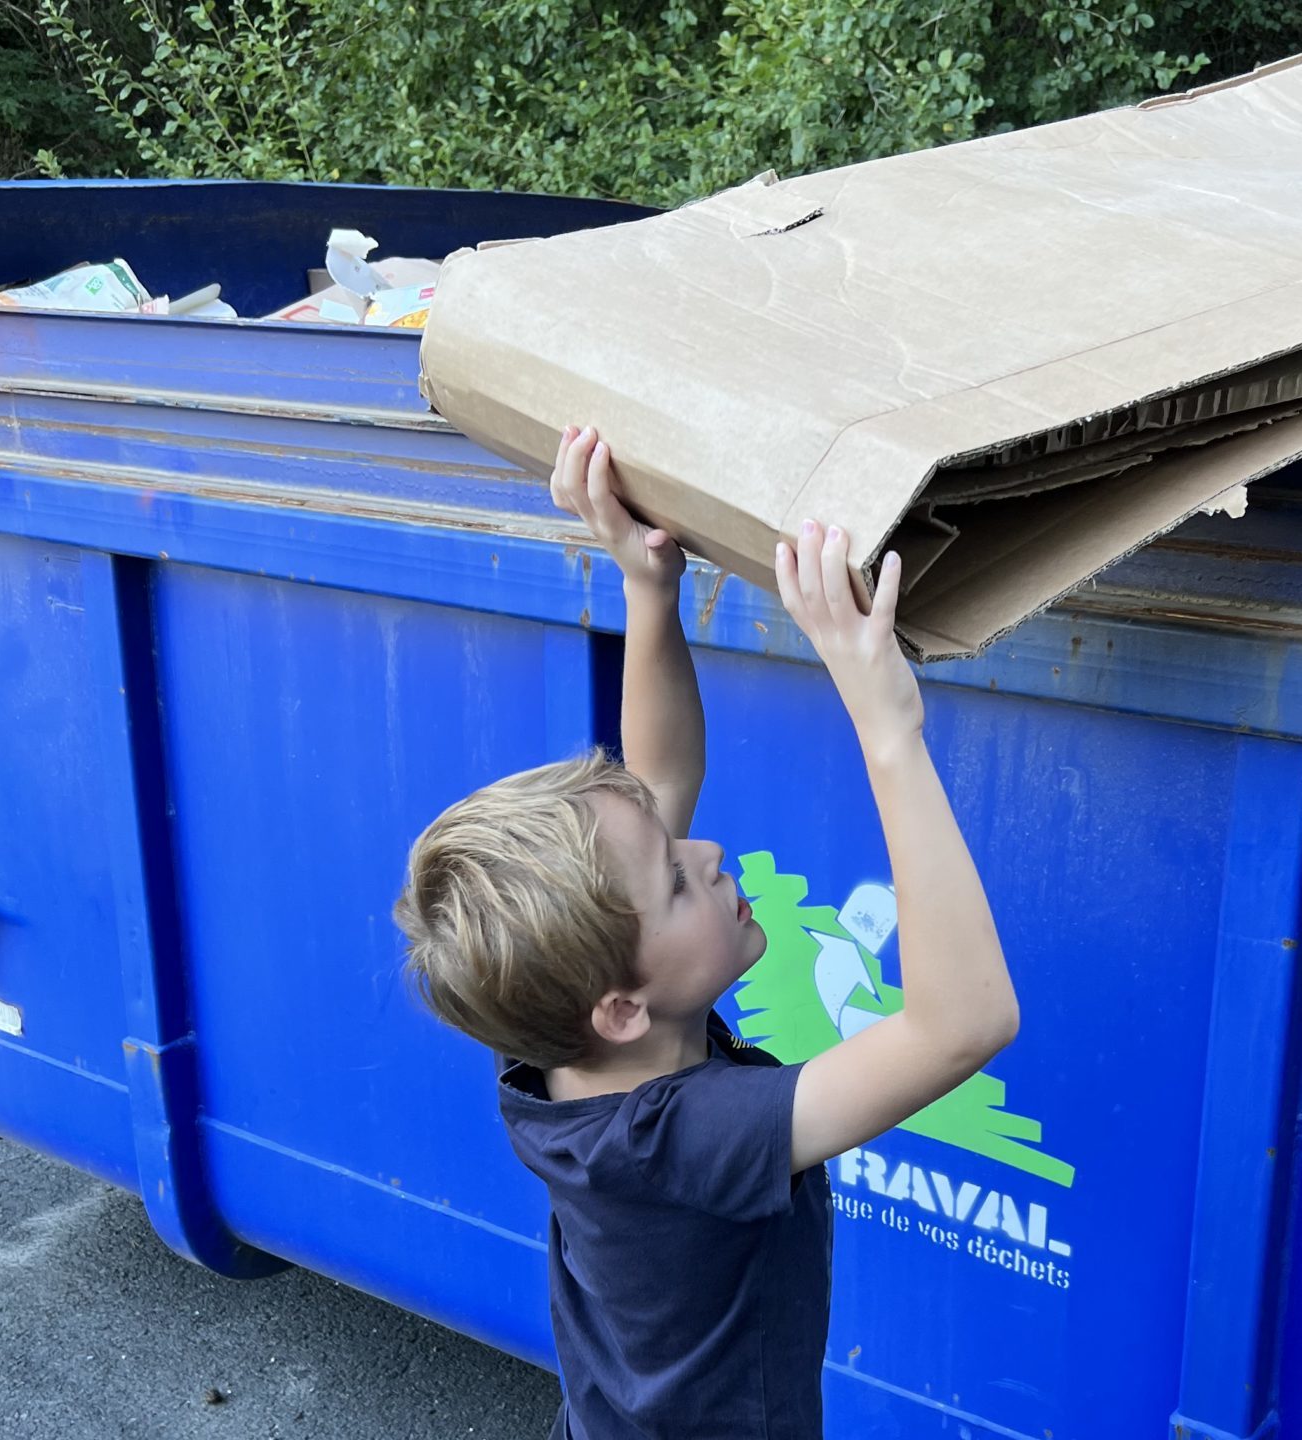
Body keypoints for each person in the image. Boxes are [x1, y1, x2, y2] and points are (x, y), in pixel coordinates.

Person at [394, 425, 1020, 1440]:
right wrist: (886, 726)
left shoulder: (559, 1035)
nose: (711, 852)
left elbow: (660, 786)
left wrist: (648, 592)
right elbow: (964, 1023)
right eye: (680, 884)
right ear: (622, 1006)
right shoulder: (685, 1141)